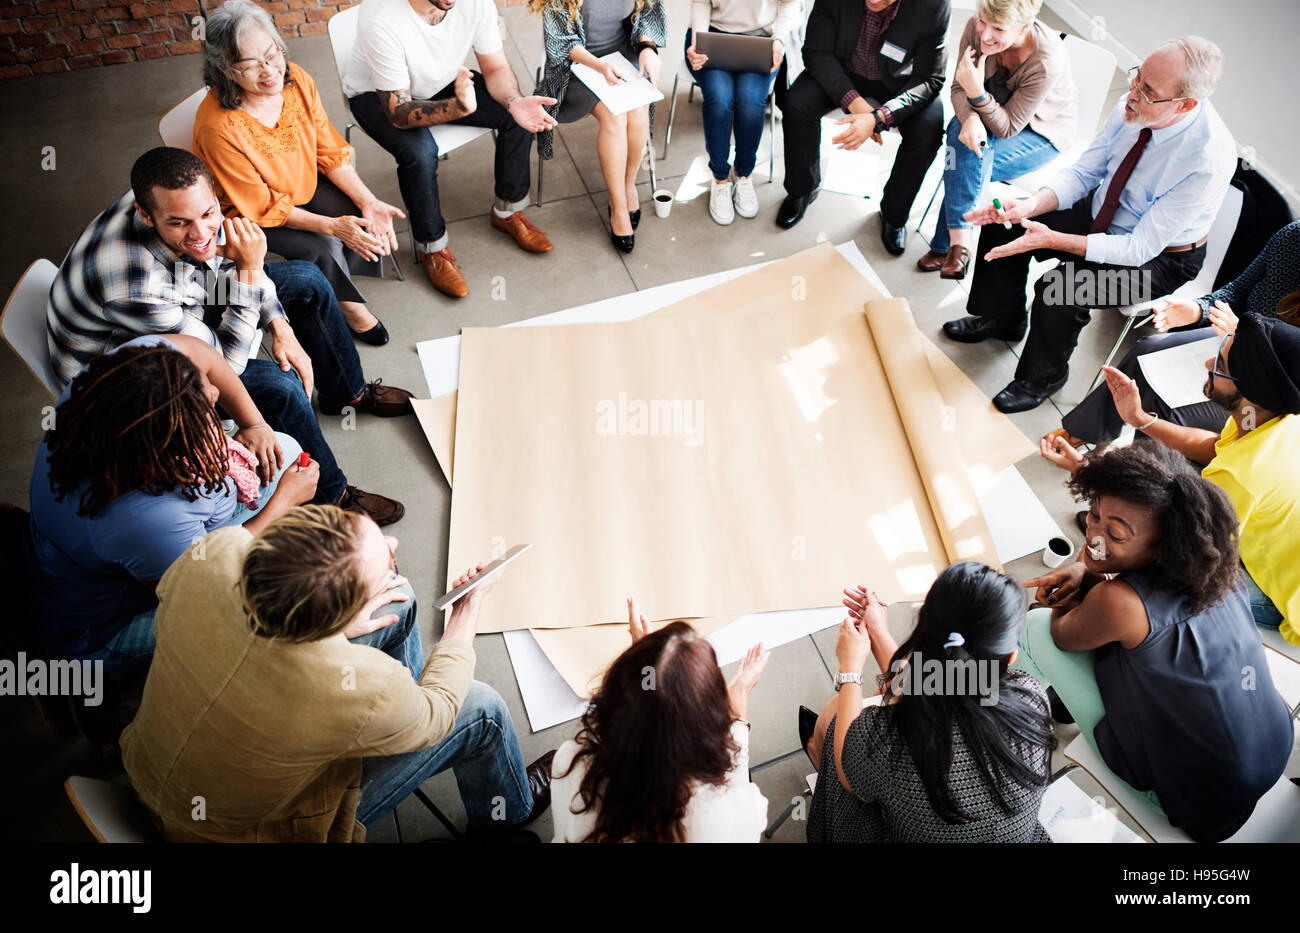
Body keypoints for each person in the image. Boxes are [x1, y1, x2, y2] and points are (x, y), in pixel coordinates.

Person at [121, 505, 556, 842]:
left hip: (148, 771)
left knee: (398, 599)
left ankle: (397, 719)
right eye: (384, 560)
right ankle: (508, 815)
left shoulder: (218, 549)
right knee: (482, 709)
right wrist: (468, 607)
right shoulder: (358, 688)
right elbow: (439, 712)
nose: (394, 540)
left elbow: (239, 638)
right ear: (336, 617)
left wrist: (332, 626)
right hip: (249, 834)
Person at [47, 147, 412, 525]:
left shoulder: (180, 199)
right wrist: (250, 271)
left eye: (209, 214)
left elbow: (228, 262)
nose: (201, 233)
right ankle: (330, 498)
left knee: (306, 280)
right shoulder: (136, 288)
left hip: (181, 302)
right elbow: (223, 367)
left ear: (211, 195)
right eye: (181, 223)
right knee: (279, 386)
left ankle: (346, 394)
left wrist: (280, 326)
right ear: (145, 214)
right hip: (128, 382)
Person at [942, 36, 1237, 414]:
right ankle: (1003, 319)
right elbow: (1085, 173)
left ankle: (1043, 377)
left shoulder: (1207, 160)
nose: (1133, 92)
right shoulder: (1136, 104)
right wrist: (1030, 205)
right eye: (1137, 76)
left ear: (1186, 104)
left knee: (1060, 288)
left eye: (1148, 90)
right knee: (1007, 223)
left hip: (1161, 258)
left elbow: (1138, 248)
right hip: (1103, 208)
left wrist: (1052, 239)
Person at [1019, 442, 1293, 842]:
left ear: (1165, 545)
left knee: (1035, 626)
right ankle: (1052, 701)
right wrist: (1086, 571)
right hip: (1269, 747)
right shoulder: (1215, 563)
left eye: (1115, 534)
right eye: (1093, 515)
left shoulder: (1120, 603)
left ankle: (985, 706)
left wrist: (1067, 596)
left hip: (1200, 805)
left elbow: (1062, 635)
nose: (1093, 536)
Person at [25, 336, 317, 675]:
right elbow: (203, 580)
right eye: (199, 412)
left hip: (143, 550)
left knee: (281, 451)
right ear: (164, 446)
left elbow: (203, 355)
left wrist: (255, 424)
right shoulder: (143, 516)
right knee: (263, 605)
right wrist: (284, 502)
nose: (214, 393)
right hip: (104, 629)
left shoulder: (122, 381)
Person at [1045, 312, 1300, 644]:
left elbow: (1164, 544)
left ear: (1252, 391)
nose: (1208, 363)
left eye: (1221, 365)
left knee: (1130, 591)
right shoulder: (1264, 417)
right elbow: (1213, 447)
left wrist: (1087, 560)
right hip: (1276, 546)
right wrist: (1139, 419)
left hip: (1282, 603)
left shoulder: (1241, 476)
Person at [195, 0, 405, 346]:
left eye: (272, 53)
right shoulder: (218, 126)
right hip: (249, 212)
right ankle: (350, 309)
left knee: (357, 214)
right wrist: (332, 227)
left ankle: (334, 283)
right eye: (251, 64)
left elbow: (328, 151)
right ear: (225, 70)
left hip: (301, 181)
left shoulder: (296, 81)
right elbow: (261, 205)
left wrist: (368, 200)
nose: (269, 71)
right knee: (324, 244)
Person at [804, 562, 1056, 843]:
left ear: (921, 628)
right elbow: (941, 685)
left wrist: (850, 668)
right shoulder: (1032, 698)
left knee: (836, 719)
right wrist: (876, 631)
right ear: (1011, 656)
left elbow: (848, 771)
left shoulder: (886, 742)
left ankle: (816, 751)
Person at [343, 0, 558, 298]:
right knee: (420, 154)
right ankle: (432, 248)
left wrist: (514, 101)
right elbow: (399, 113)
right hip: (378, 96)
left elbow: (496, 67)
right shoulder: (379, 15)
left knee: (518, 115)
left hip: (441, 83)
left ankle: (507, 212)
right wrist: (458, 107)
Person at [1054, 218, 1300, 446]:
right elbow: (1238, 290)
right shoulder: (1293, 237)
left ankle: (1140, 468)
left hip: (1269, 394)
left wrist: (1244, 338)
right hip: (1230, 339)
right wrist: (1198, 309)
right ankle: (1086, 431)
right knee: (1147, 351)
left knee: (1169, 410)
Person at [550, 599, 769, 841]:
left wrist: (646, 677)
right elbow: (742, 795)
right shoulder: (729, 815)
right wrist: (738, 715)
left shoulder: (569, 764)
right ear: (710, 724)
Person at [916, 0, 1075, 280]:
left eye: (998, 29)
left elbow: (1008, 127)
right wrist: (970, 118)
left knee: (964, 163)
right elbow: (958, 87)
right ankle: (958, 248)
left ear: (1024, 28)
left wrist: (977, 94)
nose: (985, 34)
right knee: (962, 139)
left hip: (1041, 132)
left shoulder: (1046, 61)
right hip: (992, 114)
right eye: (983, 22)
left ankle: (948, 247)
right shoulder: (976, 27)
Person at [775, 0, 948, 257]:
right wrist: (857, 105)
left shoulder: (933, 5)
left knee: (929, 129)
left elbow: (929, 78)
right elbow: (816, 52)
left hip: (900, 81)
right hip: (842, 71)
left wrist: (880, 118)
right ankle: (802, 189)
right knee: (796, 104)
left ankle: (893, 215)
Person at [532, 0, 666, 253]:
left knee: (638, 112)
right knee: (616, 116)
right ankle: (618, 204)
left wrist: (648, 48)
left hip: (622, 60)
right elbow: (560, 42)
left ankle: (628, 186)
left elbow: (649, 13)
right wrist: (601, 66)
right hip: (576, 67)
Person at [684, 0, 798, 225]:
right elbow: (701, 3)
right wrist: (699, 41)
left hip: (762, 40)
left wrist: (779, 40)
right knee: (719, 98)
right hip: (712, 35)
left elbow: (791, 4)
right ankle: (719, 177)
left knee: (750, 102)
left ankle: (743, 173)